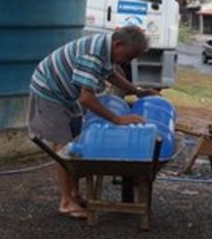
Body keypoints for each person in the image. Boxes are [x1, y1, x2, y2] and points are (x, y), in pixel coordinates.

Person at [28, 26, 158, 219]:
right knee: (63, 146)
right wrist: (117, 119)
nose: (127, 61)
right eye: (128, 56)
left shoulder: (107, 48)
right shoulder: (93, 55)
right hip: (50, 93)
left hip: (67, 95)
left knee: (75, 142)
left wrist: (137, 91)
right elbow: (87, 98)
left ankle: (74, 194)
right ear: (118, 44)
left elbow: (111, 75)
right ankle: (66, 202)